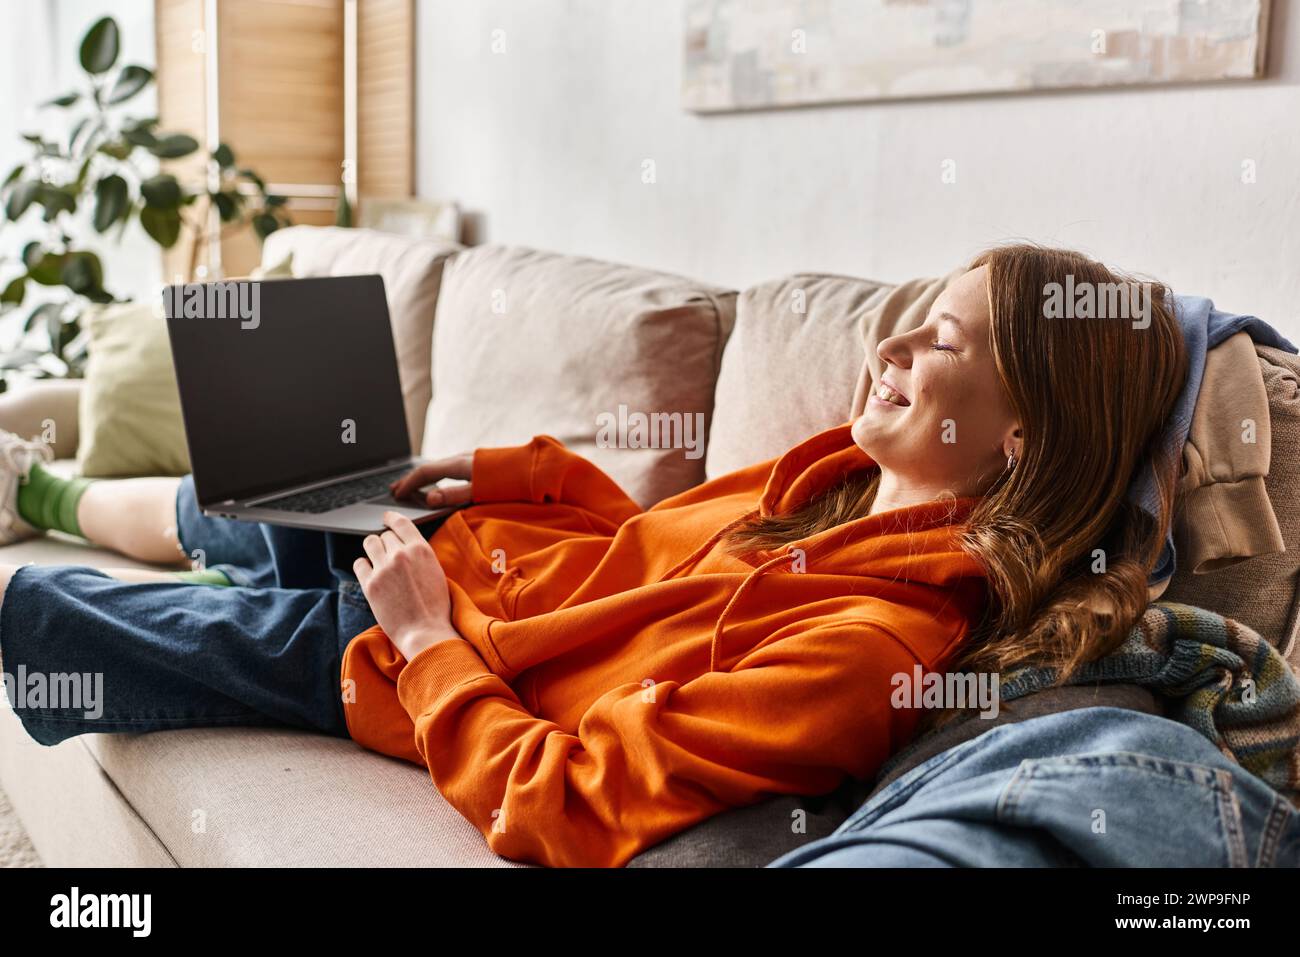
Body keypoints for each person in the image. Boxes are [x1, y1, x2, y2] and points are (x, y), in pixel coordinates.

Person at [0, 243, 1187, 867]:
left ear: (1021, 429)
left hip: (418, 651)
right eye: (923, 309)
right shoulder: (831, 480)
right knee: (252, 497)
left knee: (56, 620)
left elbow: (569, 802)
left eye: (945, 339)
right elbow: (636, 552)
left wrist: (421, 643)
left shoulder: (871, 647)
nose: (895, 339)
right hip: (461, 553)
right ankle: (45, 483)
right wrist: (511, 476)